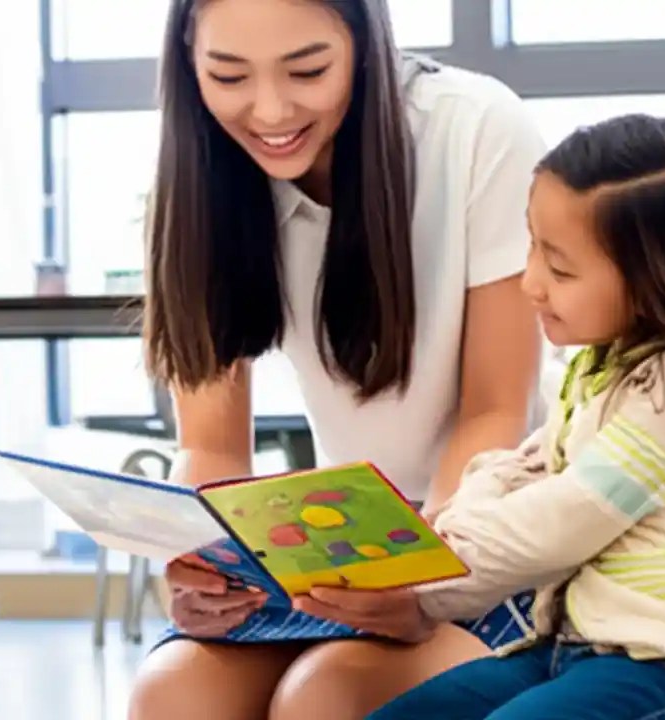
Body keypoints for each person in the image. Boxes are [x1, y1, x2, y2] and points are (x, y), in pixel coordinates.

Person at [130, 0, 548, 718]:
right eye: (228, 77)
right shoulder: (202, 179)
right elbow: (209, 446)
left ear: (363, 43)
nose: (268, 110)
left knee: (323, 697)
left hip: (491, 540)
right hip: (340, 557)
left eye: (308, 70)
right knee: (174, 695)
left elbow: (495, 410)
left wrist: (421, 576)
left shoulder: (474, 128)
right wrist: (202, 568)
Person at [367, 113, 665, 719]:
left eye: (561, 267)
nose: (531, 283)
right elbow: (519, 469)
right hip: (573, 649)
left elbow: (565, 518)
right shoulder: (599, 369)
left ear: (657, 283)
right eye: (532, 247)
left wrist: (431, 575)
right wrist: (451, 527)